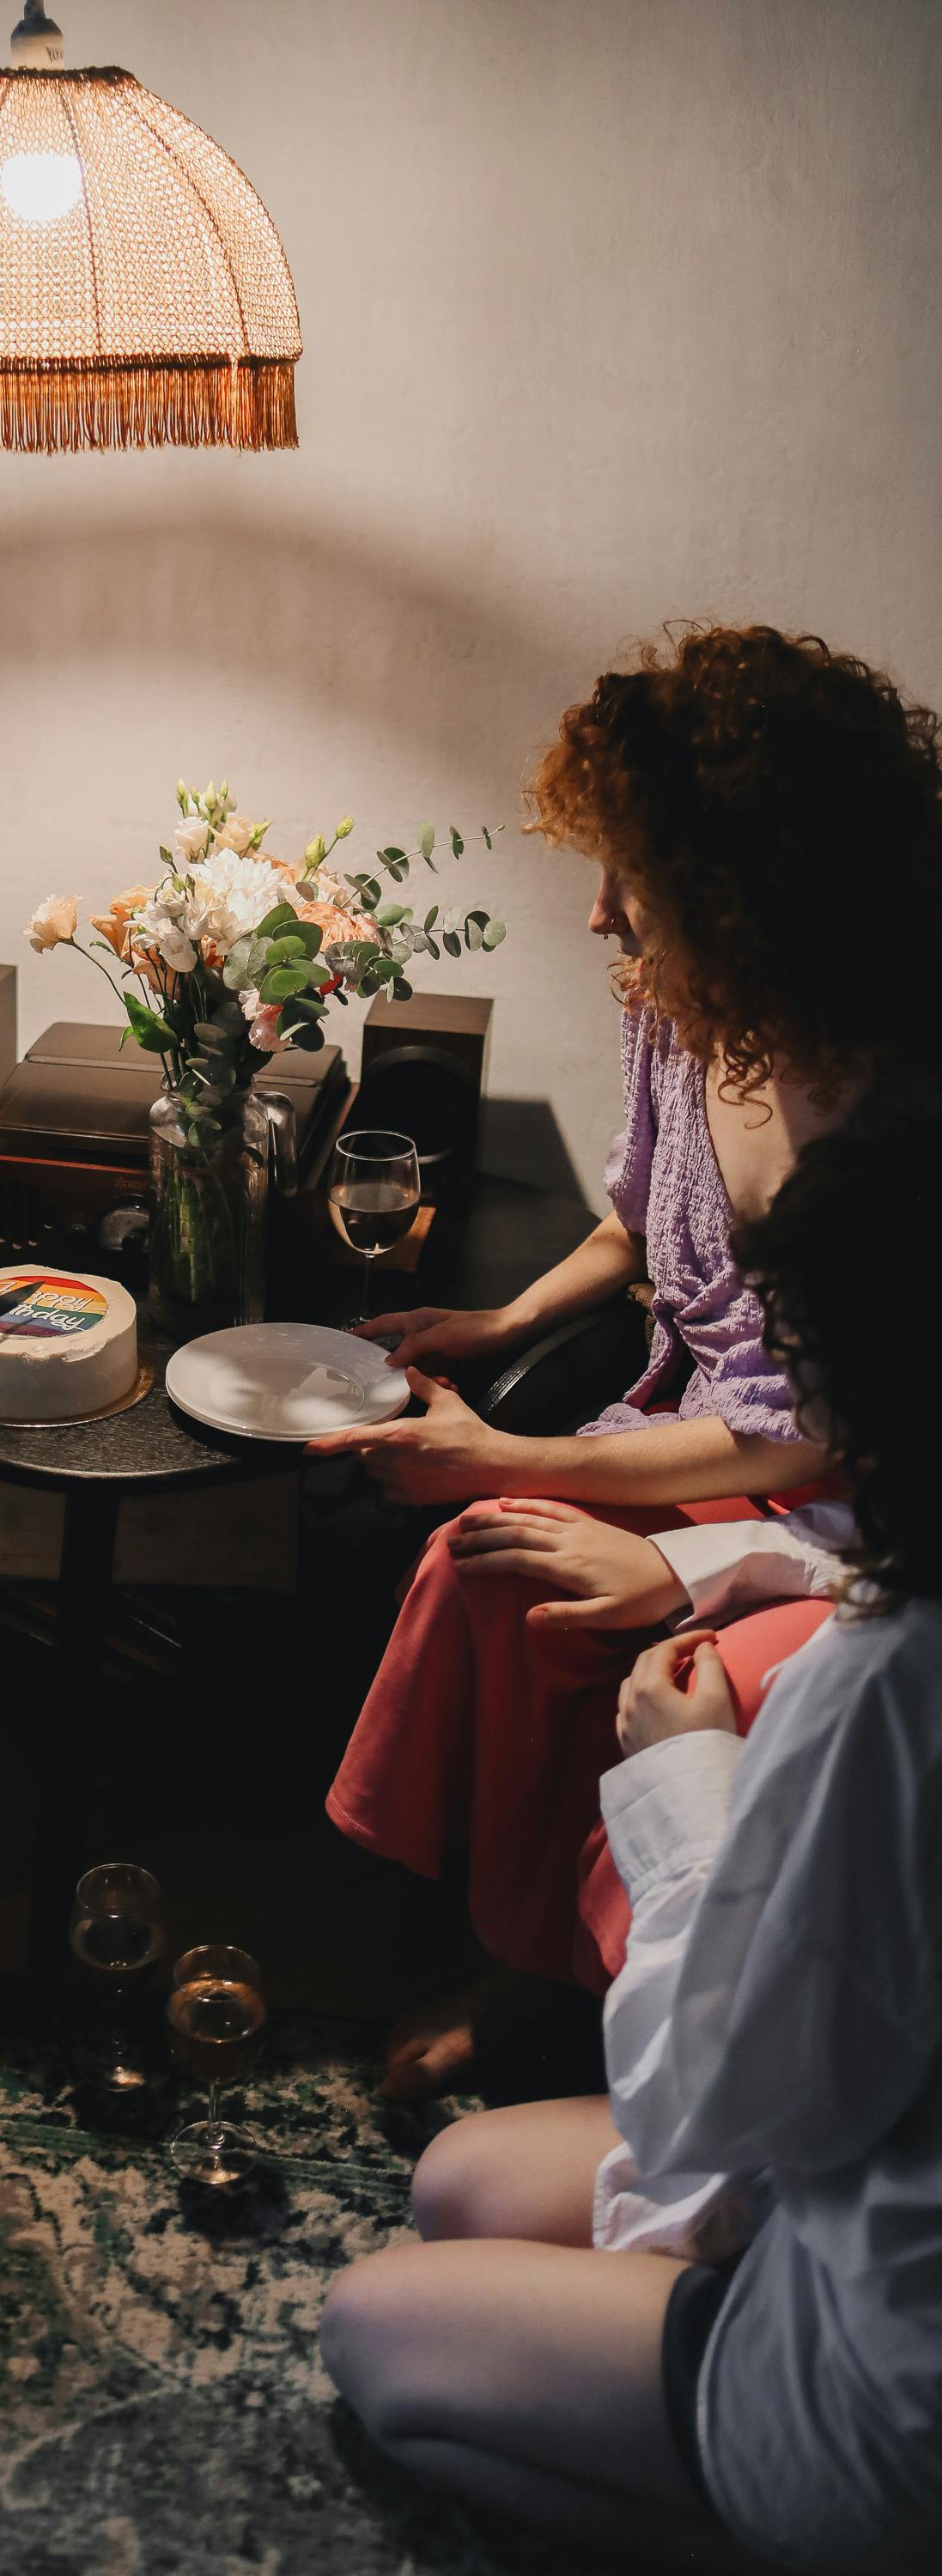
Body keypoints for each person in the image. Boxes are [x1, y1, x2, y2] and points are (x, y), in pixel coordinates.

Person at [319, 1088, 942, 2574]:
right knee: (456, 2184)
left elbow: (709, 2108)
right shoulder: (893, 1631)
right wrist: (728, 1565)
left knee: (375, 2335)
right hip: (859, 2167)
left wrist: (688, 1778)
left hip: (879, 2357)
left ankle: (783, 2528)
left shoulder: (885, 1695)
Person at [317, 626, 942, 2092]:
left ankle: (628, 2006)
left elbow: (820, 1432)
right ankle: (499, 1943)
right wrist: (505, 1326)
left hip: (846, 1506)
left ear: (746, 886)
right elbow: (633, 1228)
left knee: (616, 1620)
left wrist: (526, 1456)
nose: (599, 914)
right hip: (698, 1435)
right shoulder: (685, 1012)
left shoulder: (888, 1095)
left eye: (632, 876)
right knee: (488, 1560)